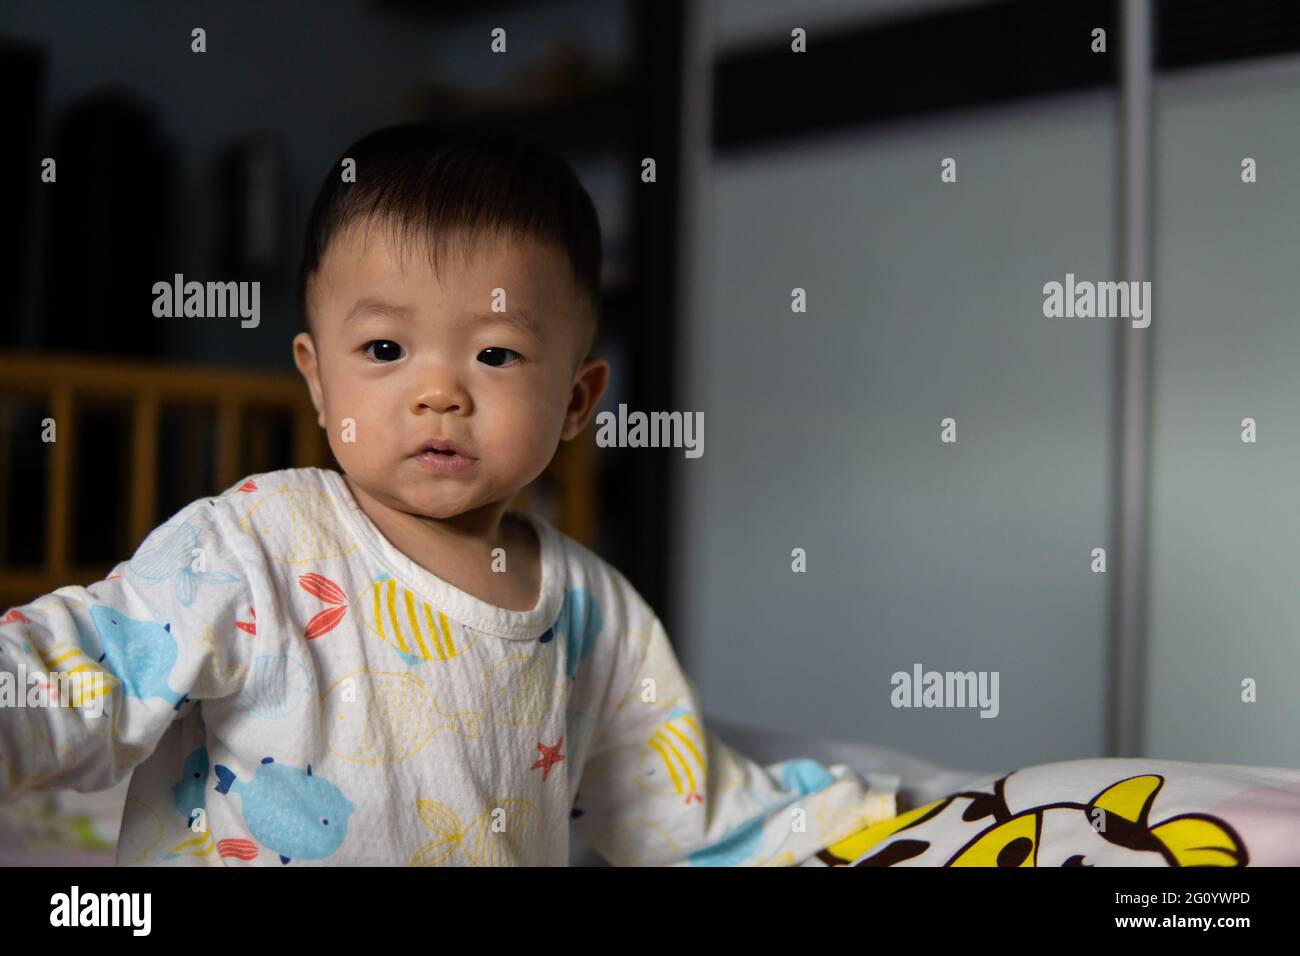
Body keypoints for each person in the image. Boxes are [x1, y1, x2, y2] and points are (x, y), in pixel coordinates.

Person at [0, 122, 896, 866]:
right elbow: (82, 669)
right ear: (318, 381)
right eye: (385, 350)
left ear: (577, 400)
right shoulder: (256, 542)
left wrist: (880, 819)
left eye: (496, 354)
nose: (440, 392)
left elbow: (689, 809)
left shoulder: (590, 612)